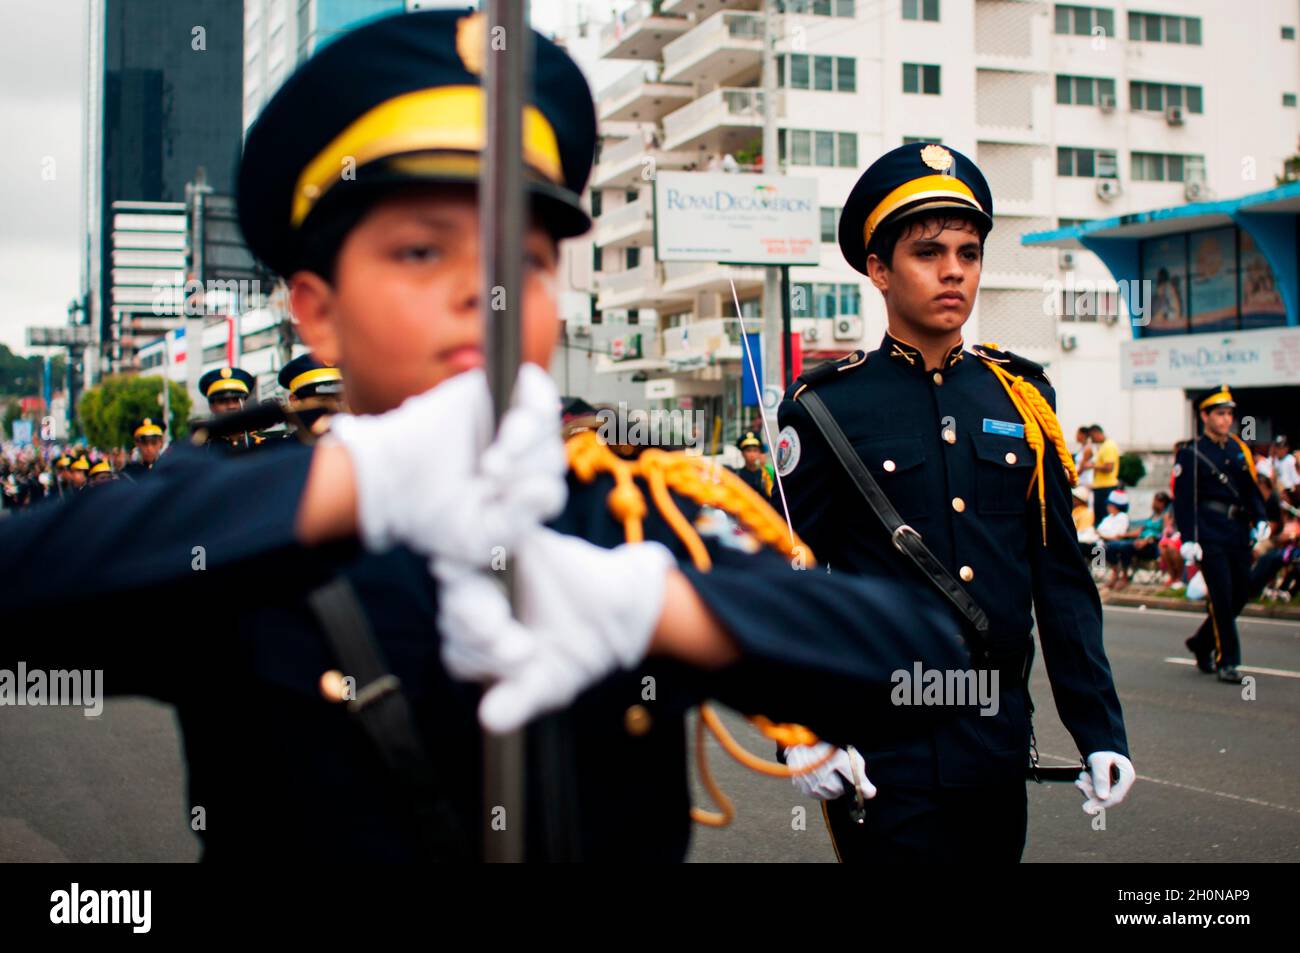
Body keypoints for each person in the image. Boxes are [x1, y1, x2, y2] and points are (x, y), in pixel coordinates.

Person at [0, 8, 967, 863]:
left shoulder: (623, 508)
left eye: (524, 258)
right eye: (421, 250)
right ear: (316, 311)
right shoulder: (247, 521)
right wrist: (356, 487)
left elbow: (923, 669)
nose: (484, 290)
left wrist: (652, 608)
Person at [773, 141, 1132, 863]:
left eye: (968, 253)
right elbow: (786, 582)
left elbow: (1059, 576)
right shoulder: (824, 409)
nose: (953, 271)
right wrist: (801, 731)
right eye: (928, 253)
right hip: (881, 747)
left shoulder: (1021, 398)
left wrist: (1098, 729)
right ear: (878, 270)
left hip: (995, 736)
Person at [1173, 386, 1268, 682]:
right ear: (1205, 416)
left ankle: (1201, 642)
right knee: (1222, 596)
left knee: (1242, 591)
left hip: (1238, 531)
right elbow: (1183, 500)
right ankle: (1227, 661)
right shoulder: (1192, 453)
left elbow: (1250, 490)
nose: (1226, 419)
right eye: (1220, 414)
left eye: (1229, 414)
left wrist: (1261, 517)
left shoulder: (1238, 448)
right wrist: (1188, 537)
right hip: (1210, 531)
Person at [276, 353, 346, 440]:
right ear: (294, 400)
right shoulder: (277, 450)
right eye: (323, 400)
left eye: (339, 400)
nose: (335, 407)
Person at [196, 366, 264, 453]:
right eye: (223, 401)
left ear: (245, 403)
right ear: (212, 406)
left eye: (236, 400)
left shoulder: (263, 444)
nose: (231, 406)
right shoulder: (201, 449)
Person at [1088, 423, 1120, 528]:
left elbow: (1109, 467)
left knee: (1103, 518)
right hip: (1101, 487)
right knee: (1100, 518)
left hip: (1105, 487)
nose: (1092, 440)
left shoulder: (1108, 446)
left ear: (1097, 433)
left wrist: (1092, 466)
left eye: (1092, 437)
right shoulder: (1104, 446)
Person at [731, 432, 773, 497]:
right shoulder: (736, 476)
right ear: (742, 453)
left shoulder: (767, 475)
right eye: (748, 450)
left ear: (759, 453)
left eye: (755, 450)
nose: (752, 454)